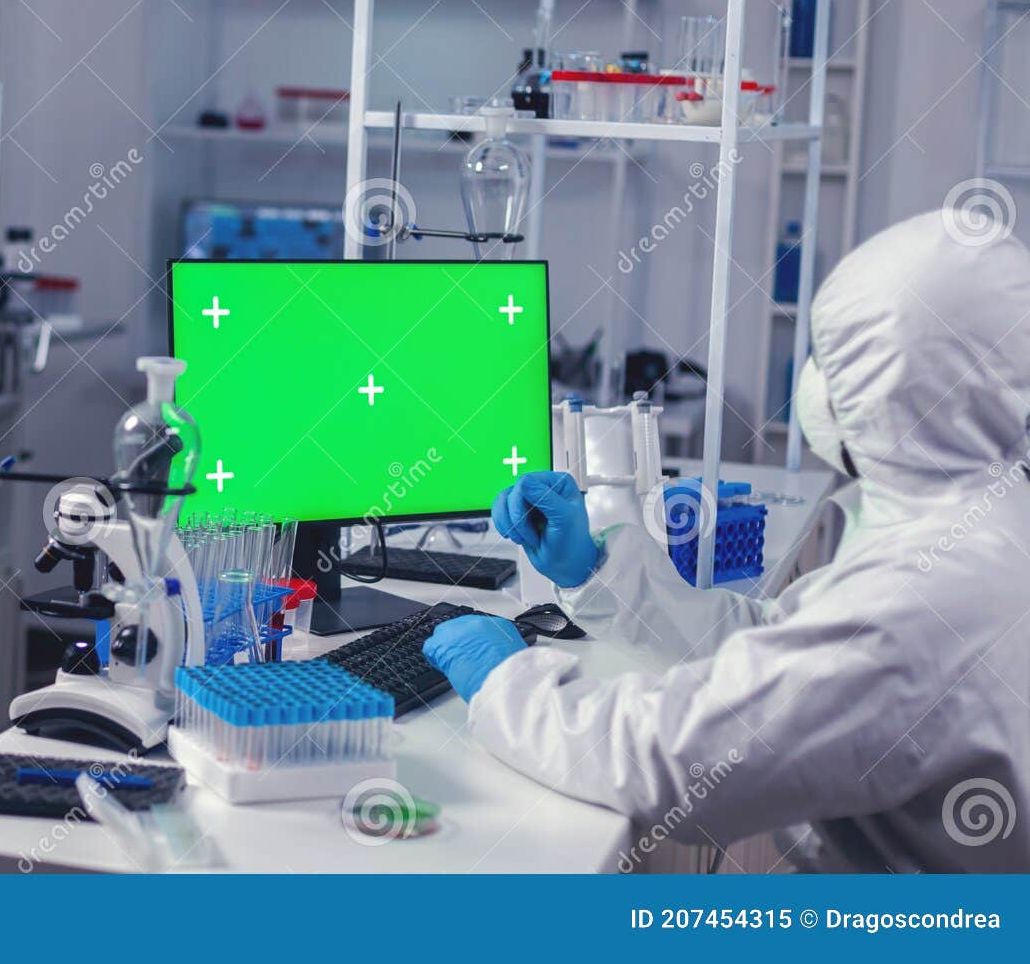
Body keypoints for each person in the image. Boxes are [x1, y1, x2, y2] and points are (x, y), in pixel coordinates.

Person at [425, 209, 1030, 872]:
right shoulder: (986, 512)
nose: (811, 381)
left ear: (887, 385)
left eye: (828, 360)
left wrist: (507, 683)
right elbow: (780, 651)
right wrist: (596, 572)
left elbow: (675, 758)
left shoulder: (920, 597)